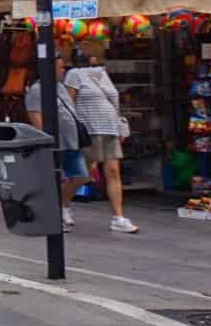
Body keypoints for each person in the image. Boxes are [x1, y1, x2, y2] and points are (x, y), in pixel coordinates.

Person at [66, 45, 139, 234]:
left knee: (113, 172)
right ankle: (62, 206)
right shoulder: (74, 74)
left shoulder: (103, 75)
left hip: (109, 128)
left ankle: (118, 217)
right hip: (90, 128)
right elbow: (69, 101)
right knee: (82, 174)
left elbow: (112, 99)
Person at [24, 50, 85, 232]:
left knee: (81, 176)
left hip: (71, 140)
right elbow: (35, 116)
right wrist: (47, 139)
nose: (64, 71)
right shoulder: (37, 90)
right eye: (60, 68)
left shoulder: (61, 87)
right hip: (56, 143)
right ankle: (54, 216)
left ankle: (63, 206)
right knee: (53, 181)